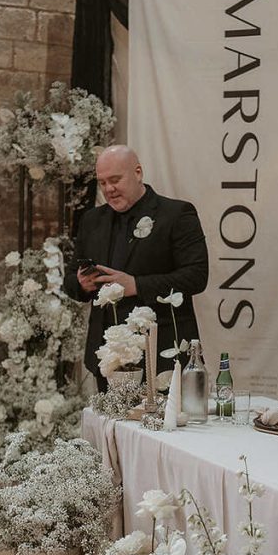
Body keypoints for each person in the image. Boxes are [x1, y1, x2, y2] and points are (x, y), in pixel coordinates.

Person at [63, 145, 209, 390]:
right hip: (108, 356)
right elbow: (69, 278)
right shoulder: (92, 220)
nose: (109, 189)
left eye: (115, 180)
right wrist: (80, 283)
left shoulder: (176, 214)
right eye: (102, 183)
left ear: (138, 173)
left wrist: (136, 285)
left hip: (161, 352)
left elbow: (197, 277)